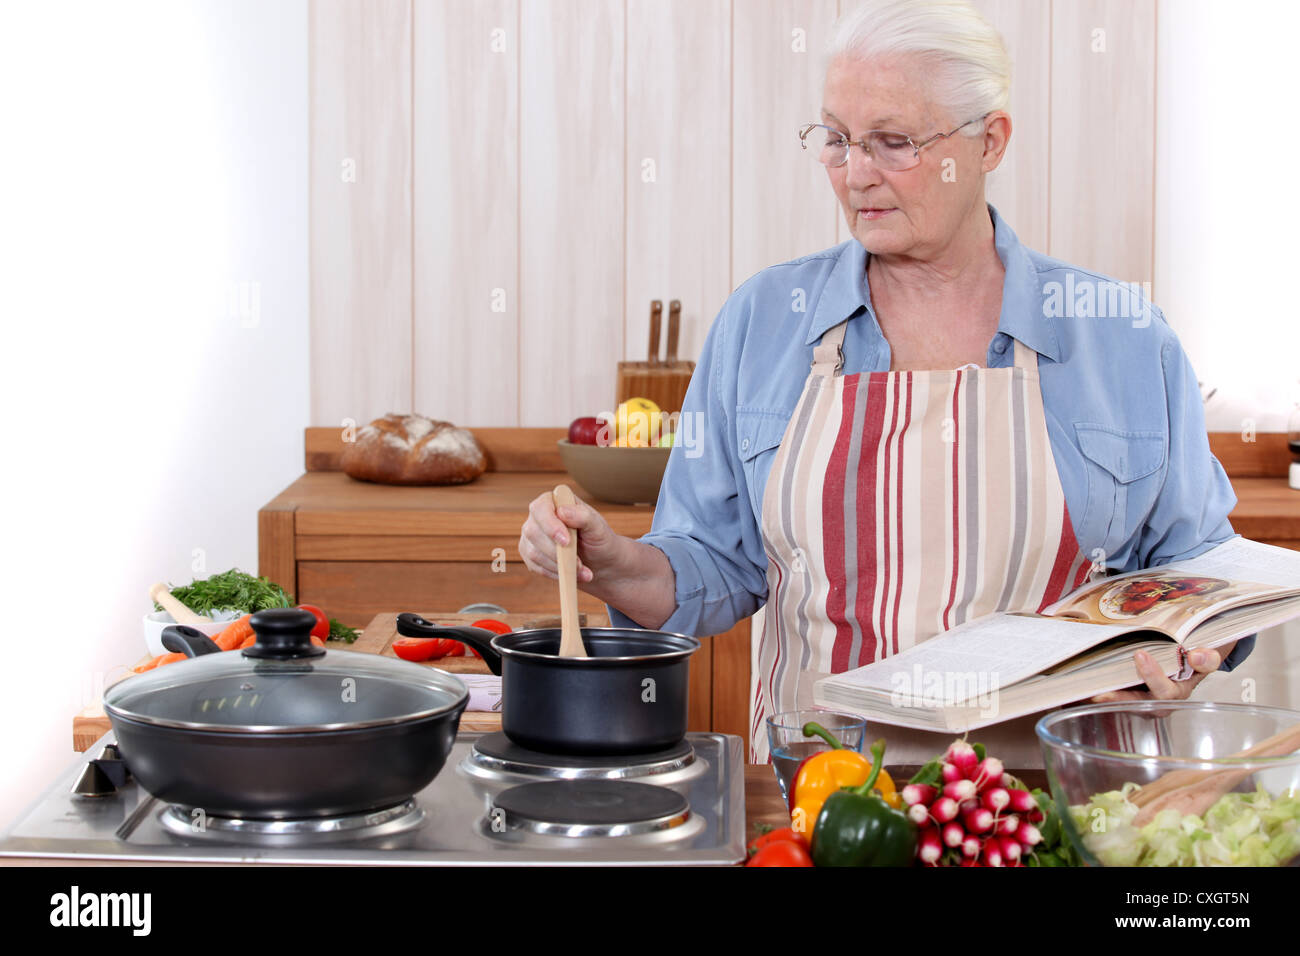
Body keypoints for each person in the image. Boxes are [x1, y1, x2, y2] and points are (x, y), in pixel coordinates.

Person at [517, 0, 1253, 764]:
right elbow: (716, 567)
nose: (854, 175)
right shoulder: (765, 321)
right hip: (822, 799)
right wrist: (618, 563)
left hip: (1048, 803)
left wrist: (1189, 652)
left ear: (989, 141)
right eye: (837, 140)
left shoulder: (1123, 336)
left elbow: (1203, 580)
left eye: (893, 142)